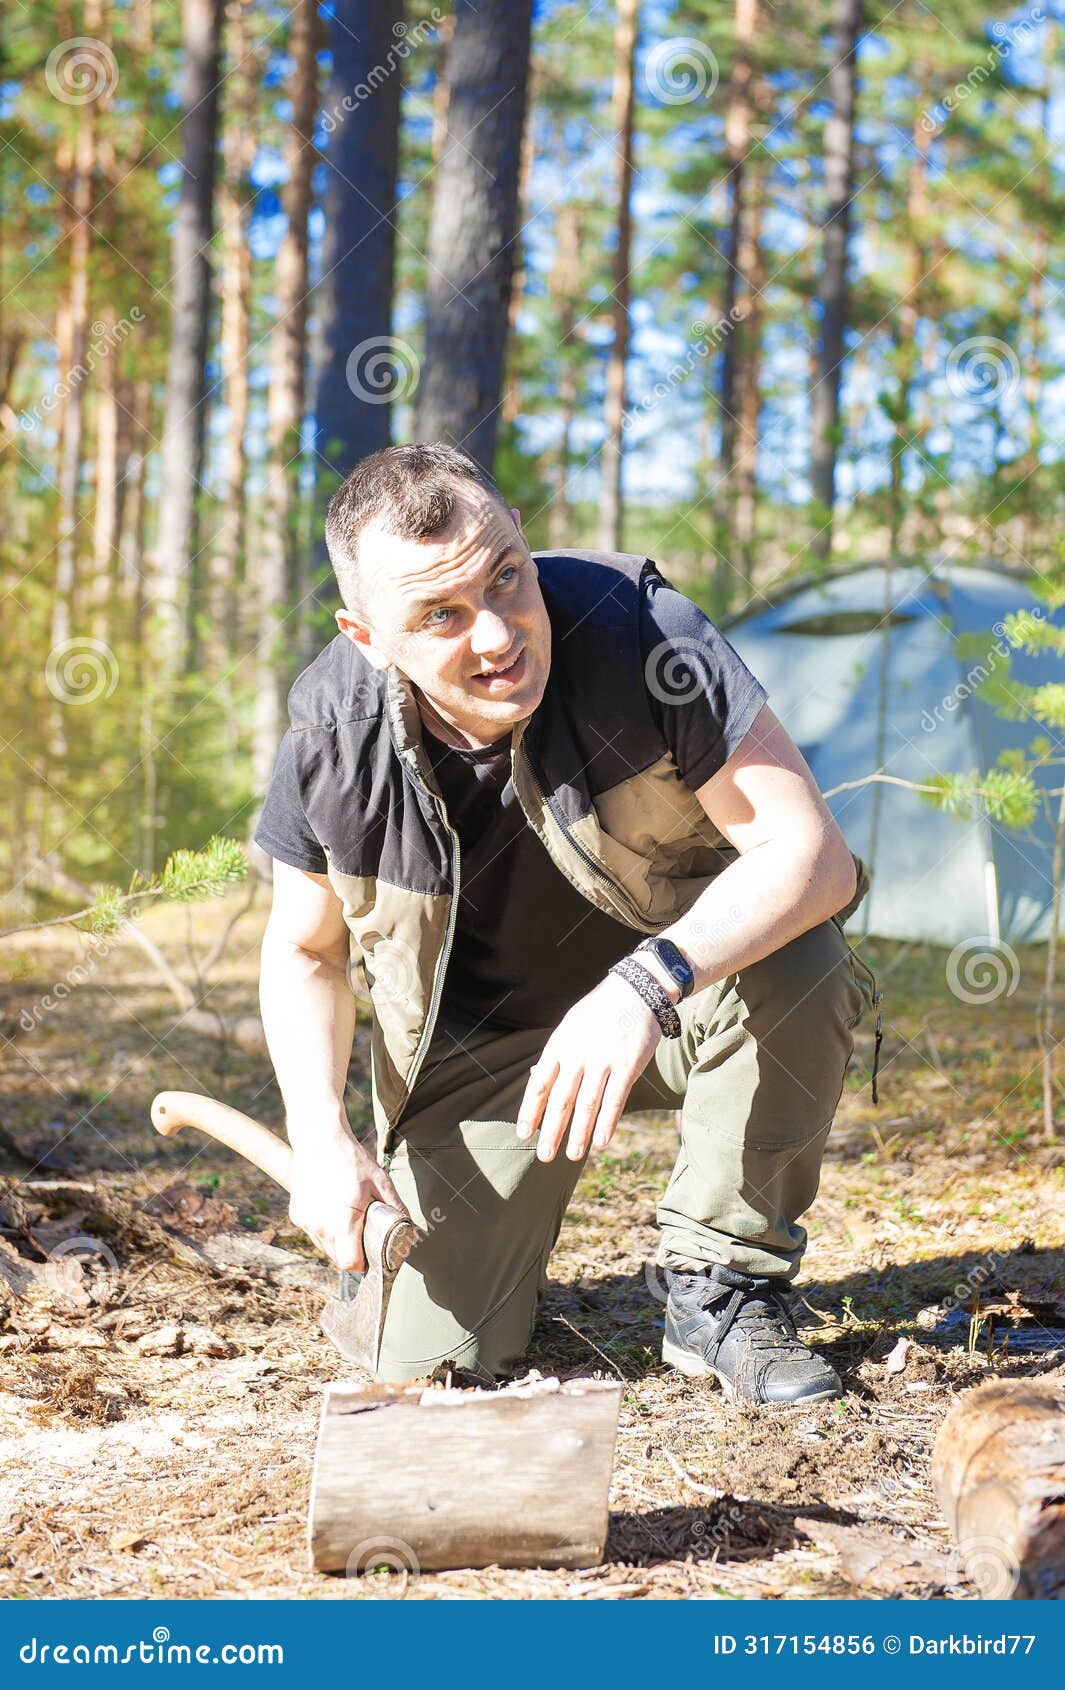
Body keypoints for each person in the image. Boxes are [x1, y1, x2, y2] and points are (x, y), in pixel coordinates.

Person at [253, 442, 880, 1405]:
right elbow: (304, 951)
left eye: (507, 577)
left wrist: (641, 985)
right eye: (441, 616)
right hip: (477, 1056)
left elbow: (810, 855)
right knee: (426, 1369)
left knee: (801, 954)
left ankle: (719, 1287)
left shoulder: (637, 632)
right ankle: (478, 1270)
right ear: (367, 635)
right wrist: (322, 1134)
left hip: (680, 1005)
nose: (499, 635)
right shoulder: (330, 732)